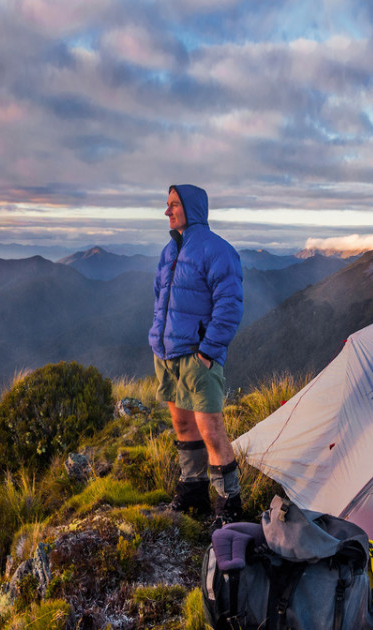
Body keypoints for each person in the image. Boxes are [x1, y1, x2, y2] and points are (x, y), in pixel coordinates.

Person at [149, 184, 244, 525]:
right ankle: (192, 494)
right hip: (168, 355)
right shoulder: (169, 251)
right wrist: (157, 344)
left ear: (191, 209)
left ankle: (229, 506)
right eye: (167, 204)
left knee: (211, 429)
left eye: (173, 205)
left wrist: (208, 351)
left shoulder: (217, 250)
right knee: (182, 424)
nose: (167, 211)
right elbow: (160, 298)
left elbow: (230, 304)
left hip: (197, 356)